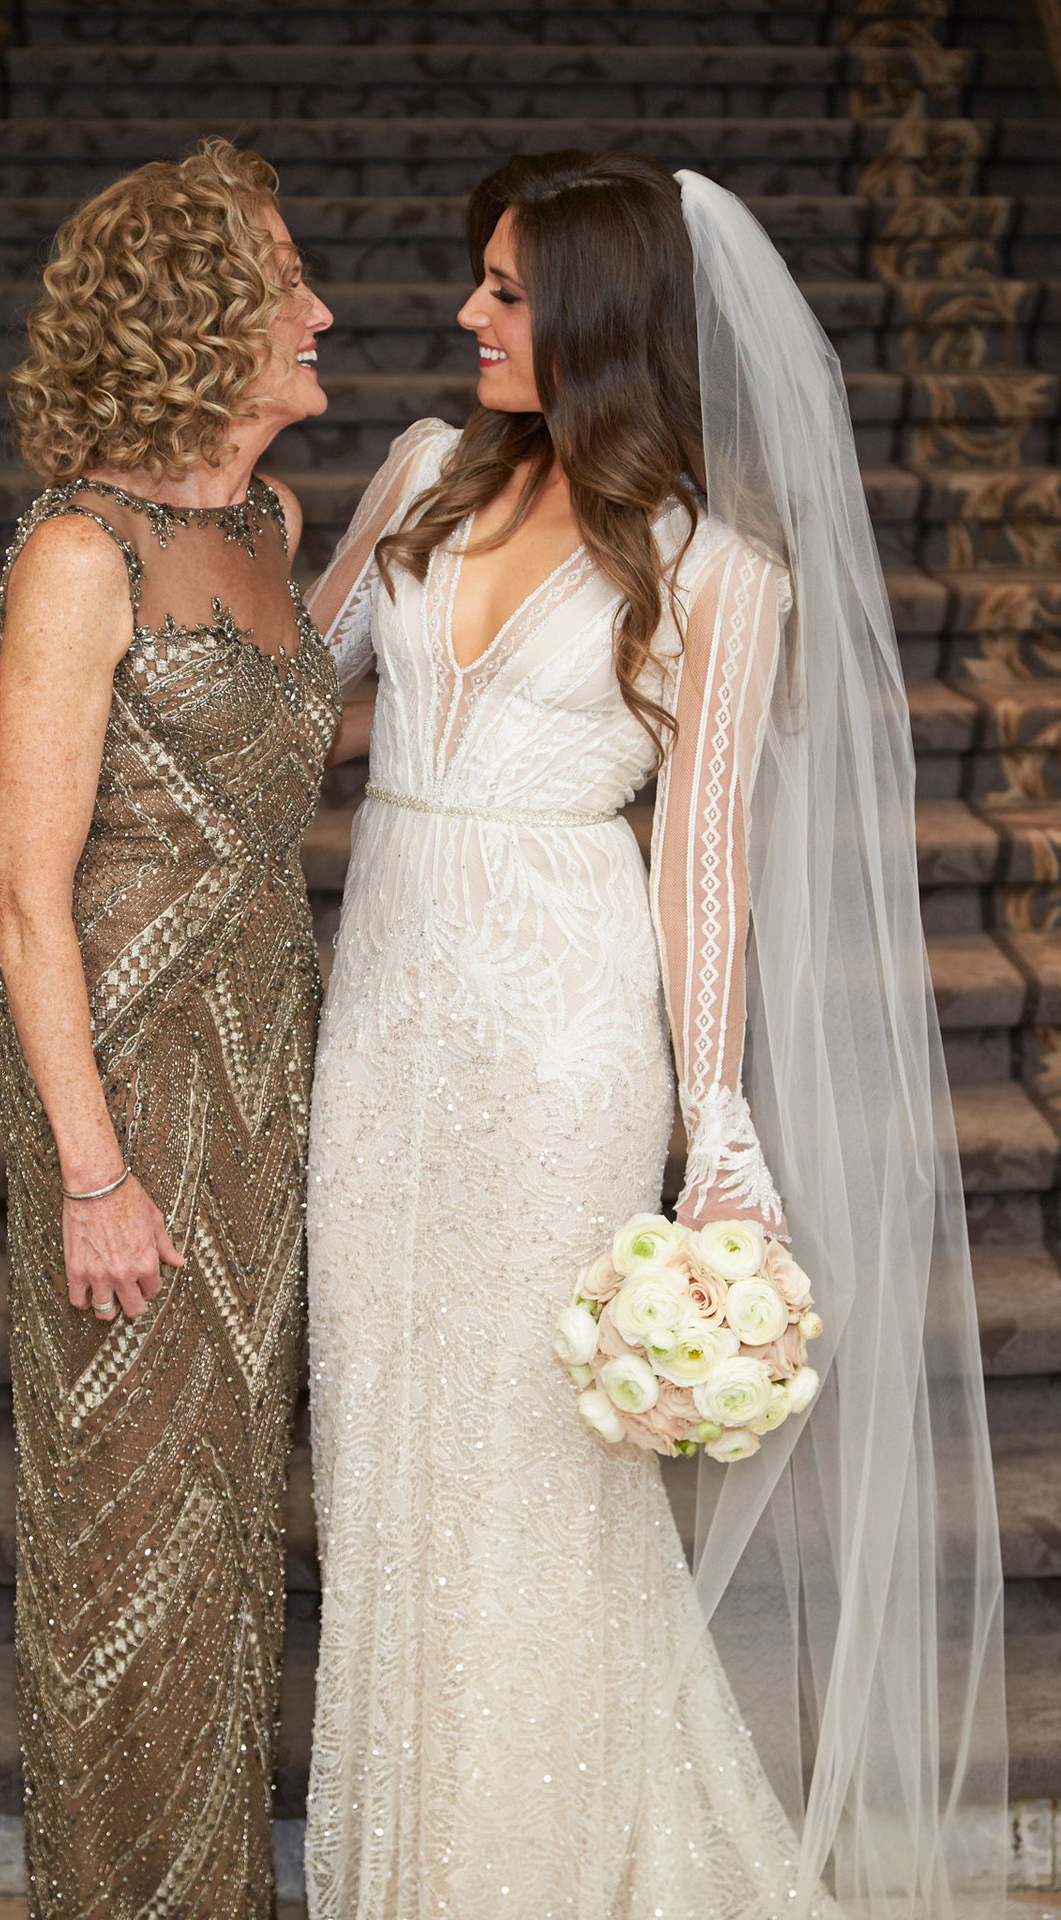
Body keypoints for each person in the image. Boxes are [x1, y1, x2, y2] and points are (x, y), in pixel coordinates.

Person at [303, 151, 1006, 1919]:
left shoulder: (720, 568)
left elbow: (701, 866)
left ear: (601, 318)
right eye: (478, 282)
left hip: (559, 1041)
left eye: (507, 291)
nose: (469, 314)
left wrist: (721, 1126)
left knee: (541, 1472)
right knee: (387, 1451)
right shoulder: (411, 478)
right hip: (382, 1025)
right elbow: (281, 706)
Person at [0, 137, 366, 1920]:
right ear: (202, 322)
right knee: (129, 1534)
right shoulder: (84, 549)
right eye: (286, 283)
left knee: (228, 1534)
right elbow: (22, 895)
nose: (322, 311)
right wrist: (89, 1176)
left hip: (268, 1083)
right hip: (123, 1095)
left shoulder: (272, 526)